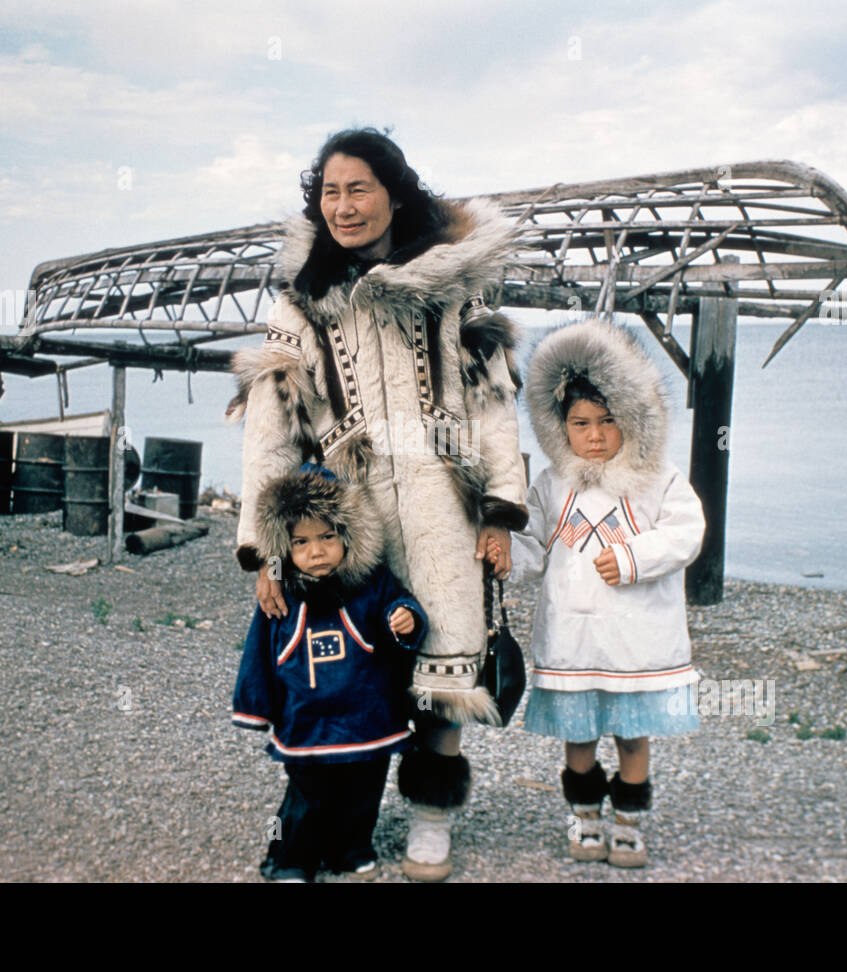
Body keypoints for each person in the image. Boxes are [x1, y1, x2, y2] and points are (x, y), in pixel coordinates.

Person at [226, 128, 527, 881]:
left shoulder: (456, 289)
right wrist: (266, 548)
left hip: (442, 506)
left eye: (358, 188)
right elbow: (270, 428)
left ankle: (430, 818)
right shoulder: (300, 304)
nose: (344, 206)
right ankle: (325, 826)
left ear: (394, 194)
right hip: (344, 517)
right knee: (344, 673)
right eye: (330, 192)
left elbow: (493, 405)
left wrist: (500, 513)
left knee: (446, 666)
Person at [503, 319, 706, 867]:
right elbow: (531, 546)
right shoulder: (551, 484)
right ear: (559, 426)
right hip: (572, 641)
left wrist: (635, 558)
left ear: (632, 419)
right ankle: (585, 819)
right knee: (579, 737)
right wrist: (502, 555)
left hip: (639, 644)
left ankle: (629, 825)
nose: (594, 435)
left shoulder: (658, 477)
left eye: (608, 420)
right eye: (581, 423)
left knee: (634, 737)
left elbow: (687, 533)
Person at [232, 465, 428, 882]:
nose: (316, 551)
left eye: (327, 537)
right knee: (306, 796)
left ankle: (350, 850)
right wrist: (255, 708)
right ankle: (289, 859)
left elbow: (403, 607)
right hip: (307, 720)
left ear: (349, 535)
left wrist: (406, 618)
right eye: (301, 542)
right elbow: (259, 655)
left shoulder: (372, 582)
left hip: (369, 717)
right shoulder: (280, 594)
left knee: (364, 792)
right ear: (282, 545)